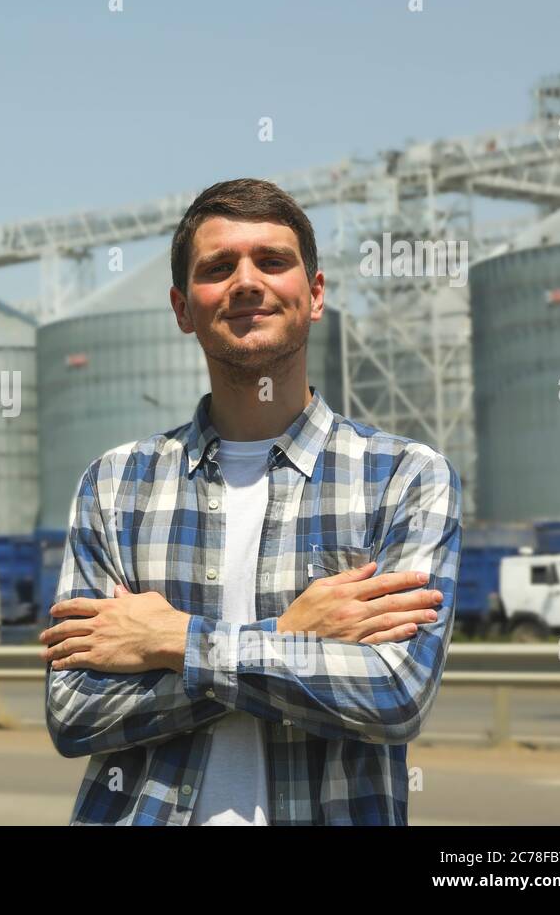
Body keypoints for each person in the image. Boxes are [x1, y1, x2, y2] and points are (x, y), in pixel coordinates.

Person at [40, 177, 462, 825]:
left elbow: (394, 694)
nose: (245, 282)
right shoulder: (116, 485)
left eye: (271, 260)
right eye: (218, 267)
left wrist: (173, 640)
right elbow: (74, 712)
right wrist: (290, 639)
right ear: (183, 309)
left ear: (314, 294)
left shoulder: (404, 479)